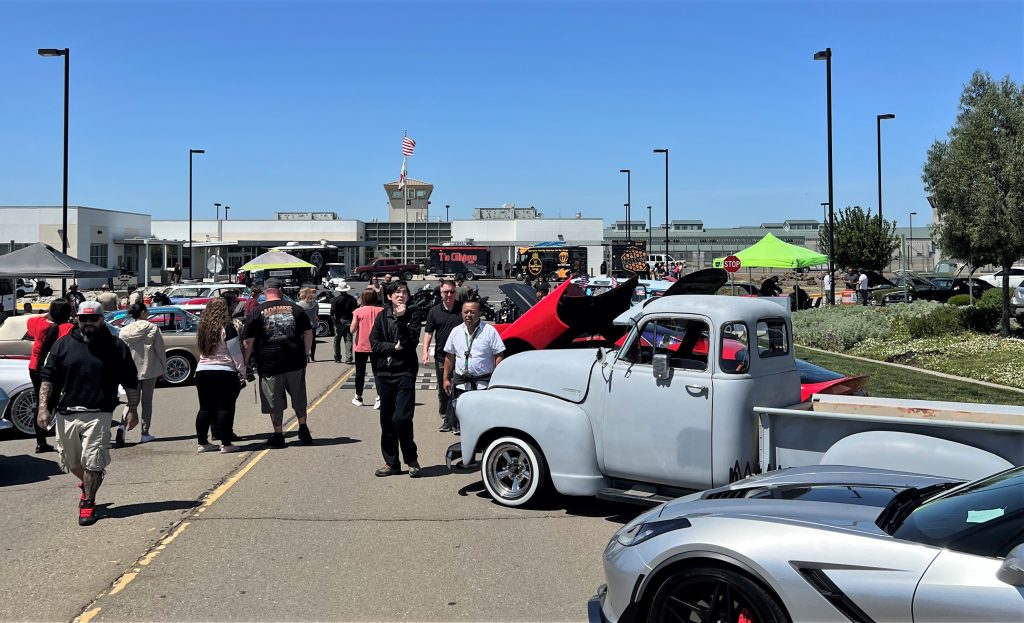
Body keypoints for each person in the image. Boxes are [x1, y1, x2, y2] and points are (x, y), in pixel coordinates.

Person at [38, 300, 140, 526]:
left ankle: (88, 502)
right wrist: (43, 409)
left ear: (102, 319)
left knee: (92, 462)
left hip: (100, 412)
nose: (88, 323)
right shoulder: (63, 345)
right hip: (66, 412)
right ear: (78, 320)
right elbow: (48, 378)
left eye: (93, 319)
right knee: (71, 461)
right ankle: (89, 481)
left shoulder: (116, 346)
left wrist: (132, 410)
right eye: (84, 319)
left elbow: (130, 380)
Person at [242, 277, 314, 448]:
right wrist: (305, 352)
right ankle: (302, 427)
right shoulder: (295, 308)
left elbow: (248, 342)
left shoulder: (256, 312)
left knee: (273, 401)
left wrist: (244, 363)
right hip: (295, 361)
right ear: (280, 290)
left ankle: (278, 434)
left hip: (269, 363)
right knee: (299, 396)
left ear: (265, 292)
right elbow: (308, 333)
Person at [369, 281, 421, 477]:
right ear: (389, 296)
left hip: (405, 372)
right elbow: (374, 343)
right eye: (397, 292)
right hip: (384, 373)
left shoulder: (413, 314)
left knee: (402, 418)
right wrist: (392, 347)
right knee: (387, 420)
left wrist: (400, 320)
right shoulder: (382, 316)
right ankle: (391, 463)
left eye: (404, 292)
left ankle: (411, 459)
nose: (401, 295)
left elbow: (409, 343)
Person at [441, 300, 506, 433]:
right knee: (462, 415)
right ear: (461, 314)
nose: (469, 315)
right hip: (461, 383)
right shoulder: (456, 331)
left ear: (479, 313)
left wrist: (497, 378)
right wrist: (446, 378)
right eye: (466, 312)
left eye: (473, 312)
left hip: (482, 384)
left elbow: (499, 355)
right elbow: (449, 357)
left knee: (481, 417)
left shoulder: (489, 331)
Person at [195, 298, 247, 453]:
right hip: (224, 370)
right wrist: (242, 370)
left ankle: (203, 443)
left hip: (203, 370)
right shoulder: (227, 327)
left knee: (205, 408)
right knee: (225, 407)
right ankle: (226, 443)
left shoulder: (202, 328)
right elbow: (235, 352)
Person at [27, 299, 74, 453]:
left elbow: (31, 322)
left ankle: (41, 442)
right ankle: (60, 435)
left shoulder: (37, 323)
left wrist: (48, 313)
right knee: (53, 403)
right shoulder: (68, 327)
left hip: (35, 367)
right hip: (55, 370)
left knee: (40, 403)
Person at [117, 303, 167, 443]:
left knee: (131, 402)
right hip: (149, 369)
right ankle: (145, 433)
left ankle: (122, 426)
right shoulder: (152, 328)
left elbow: (121, 352)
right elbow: (160, 350)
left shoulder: (124, 331)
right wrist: (163, 368)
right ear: (144, 312)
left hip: (130, 372)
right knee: (147, 402)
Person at [421, 280, 461, 423]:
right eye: (446, 292)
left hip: (461, 356)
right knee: (443, 387)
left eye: (452, 292)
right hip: (441, 357)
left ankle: (457, 415)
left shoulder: (462, 309)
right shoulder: (434, 311)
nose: (449, 295)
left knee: (460, 387)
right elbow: (428, 333)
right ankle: (444, 413)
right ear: (441, 292)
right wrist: (425, 352)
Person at [350, 288, 384, 408]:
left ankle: (358, 396)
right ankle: (380, 397)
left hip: (361, 345)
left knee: (360, 372)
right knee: (378, 372)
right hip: (377, 345)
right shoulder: (381, 310)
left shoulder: (358, 311)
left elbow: (352, 329)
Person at [330, 283, 358, 363]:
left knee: (337, 340)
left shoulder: (335, 300)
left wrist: (334, 321)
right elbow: (355, 311)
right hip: (349, 320)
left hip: (339, 321)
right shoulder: (352, 299)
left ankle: (337, 357)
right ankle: (349, 357)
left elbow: (332, 312)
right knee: (348, 339)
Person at [297, 287, 319, 362]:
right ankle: (313, 356)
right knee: (313, 340)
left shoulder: (300, 304)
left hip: (304, 325)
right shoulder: (315, 304)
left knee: (304, 340)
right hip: (314, 324)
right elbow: (316, 314)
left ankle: (306, 355)